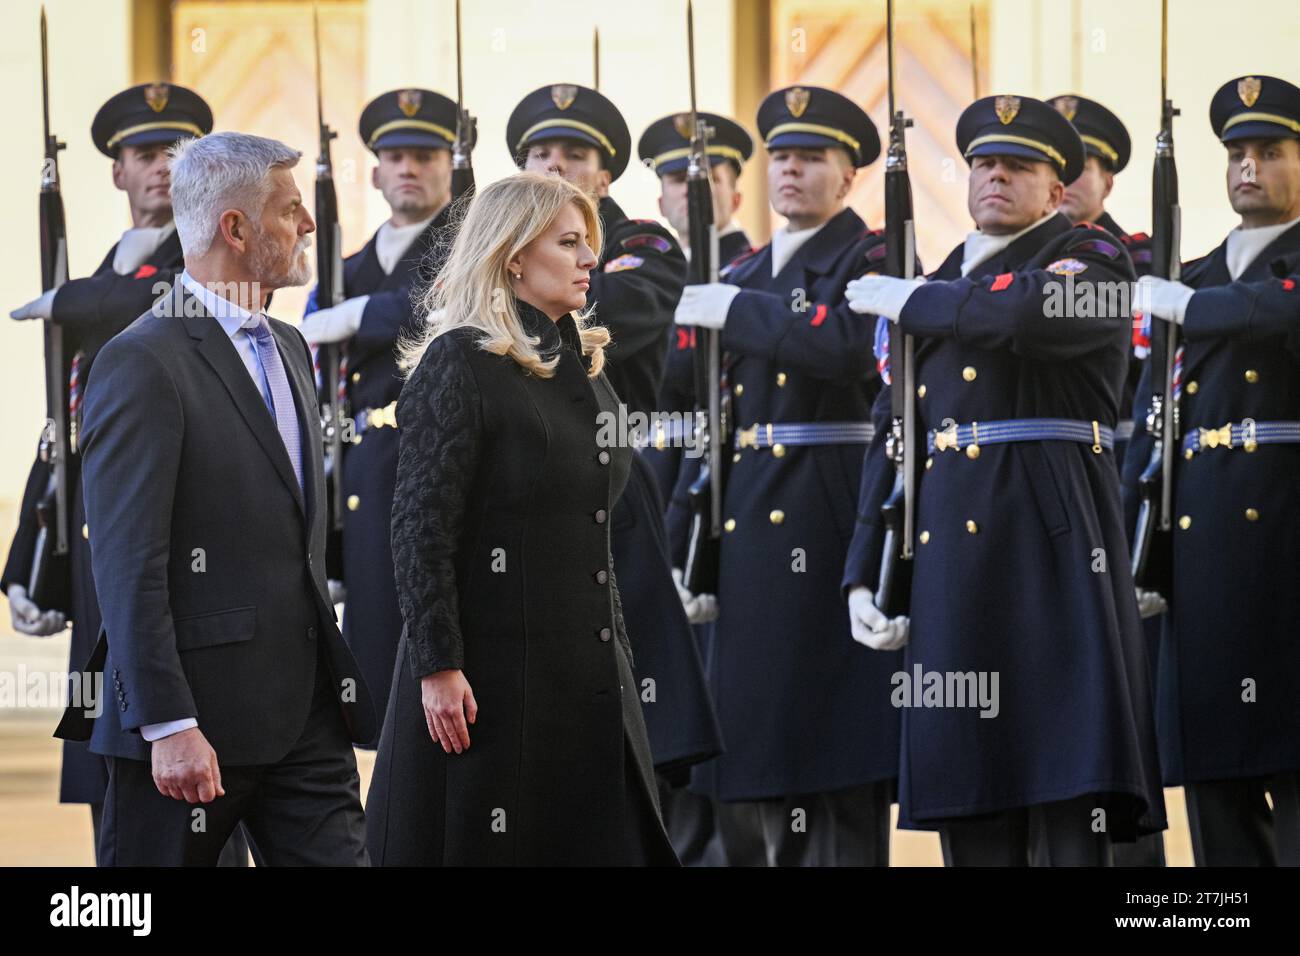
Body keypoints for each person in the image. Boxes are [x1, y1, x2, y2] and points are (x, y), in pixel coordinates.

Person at [843, 94, 1166, 865]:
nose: (996, 177)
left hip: (1053, 550)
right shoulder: (941, 277)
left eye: (1019, 166)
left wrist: (919, 301)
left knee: (1066, 789)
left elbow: (1031, 316)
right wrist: (863, 572)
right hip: (954, 563)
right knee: (972, 792)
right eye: (984, 163)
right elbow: (896, 434)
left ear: (1057, 192)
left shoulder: (1095, 258)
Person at [54, 131, 376, 866]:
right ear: (236, 228)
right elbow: (130, 562)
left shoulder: (291, 346)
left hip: (305, 718)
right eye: (291, 209)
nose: (309, 225)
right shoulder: (141, 360)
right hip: (188, 723)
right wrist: (168, 724)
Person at [365, 172, 678, 865]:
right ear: (512, 256)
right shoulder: (460, 360)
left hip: (587, 674)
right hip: (488, 682)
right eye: (569, 243)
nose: (590, 260)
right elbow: (421, 527)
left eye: (588, 244)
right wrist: (438, 664)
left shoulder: (583, 362)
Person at [4, 83, 250, 866]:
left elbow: (171, 301)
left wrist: (71, 298)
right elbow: (69, 430)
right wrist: (27, 563)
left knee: (201, 789)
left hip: (184, 560)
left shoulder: (212, 262)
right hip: (103, 559)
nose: (162, 169)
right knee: (111, 775)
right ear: (117, 173)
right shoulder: (106, 268)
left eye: (179, 156)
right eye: (146, 155)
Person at [672, 86, 902, 867]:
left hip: (828, 502)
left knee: (833, 745)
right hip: (746, 511)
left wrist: (736, 314)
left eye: (813, 158)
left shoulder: (874, 254)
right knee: (756, 741)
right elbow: (703, 409)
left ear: (849, 176)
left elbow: (847, 347)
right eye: (782, 157)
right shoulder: (741, 265)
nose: (792, 171)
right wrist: (685, 544)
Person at [506, 84, 722, 779]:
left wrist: (506, 290)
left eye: (576, 154)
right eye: (541, 153)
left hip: (607, 483)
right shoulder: (496, 244)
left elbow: (608, 314)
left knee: (626, 713)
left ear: (605, 175)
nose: (557, 165)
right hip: (519, 488)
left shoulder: (641, 243)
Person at [1124, 74, 1300, 866]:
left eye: (1270, 151)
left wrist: (1192, 310)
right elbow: (1151, 423)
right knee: (1215, 777)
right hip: (1205, 542)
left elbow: (1280, 308)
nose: (1248, 168)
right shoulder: (1189, 275)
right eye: (1236, 153)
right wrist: (1137, 542)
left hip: (1289, 536)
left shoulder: (1196, 294)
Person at [298, 88, 461, 743]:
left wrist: (360, 316)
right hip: (362, 471)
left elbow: (455, 304)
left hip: (430, 462)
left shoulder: (464, 253)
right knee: (371, 660)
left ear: (450, 167)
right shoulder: (347, 269)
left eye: (424, 155)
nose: (408, 169)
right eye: (394, 157)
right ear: (374, 172)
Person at [637, 111, 755, 507]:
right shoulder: (648, 276)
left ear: (736, 198)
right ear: (661, 202)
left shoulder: (751, 275)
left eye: (709, 178)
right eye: (677, 180)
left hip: (714, 472)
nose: (691, 188)